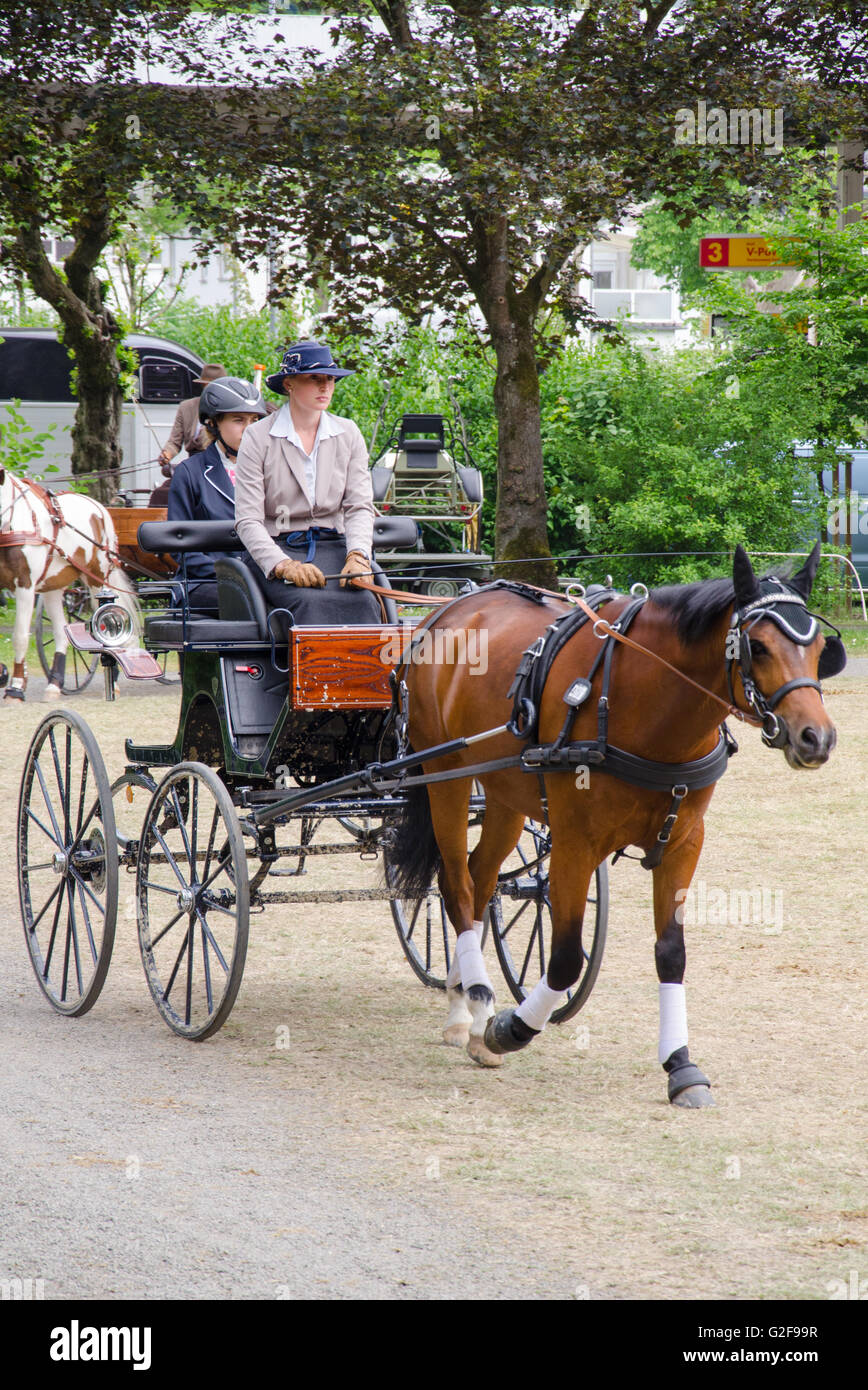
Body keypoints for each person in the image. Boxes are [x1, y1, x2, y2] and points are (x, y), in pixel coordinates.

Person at [233, 340, 380, 629]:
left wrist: (359, 555)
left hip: (337, 549)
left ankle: (367, 675)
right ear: (289, 384)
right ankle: (309, 676)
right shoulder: (258, 437)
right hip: (277, 548)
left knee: (364, 601)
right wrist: (282, 565)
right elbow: (248, 520)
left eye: (330, 378)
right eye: (314, 378)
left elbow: (360, 507)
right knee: (311, 601)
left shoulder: (348, 433)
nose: (325, 386)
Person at [167, 376, 266, 613]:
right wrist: (232, 573)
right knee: (247, 602)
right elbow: (180, 548)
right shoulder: (190, 473)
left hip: (264, 577)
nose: (250, 429)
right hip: (205, 582)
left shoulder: (272, 470)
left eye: (255, 420)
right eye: (239, 420)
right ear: (213, 423)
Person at [158, 363, 228, 477]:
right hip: (193, 463)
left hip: (219, 464)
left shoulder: (228, 409)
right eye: (207, 385)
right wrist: (167, 454)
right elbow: (174, 442)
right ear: (203, 385)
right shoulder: (186, 407)